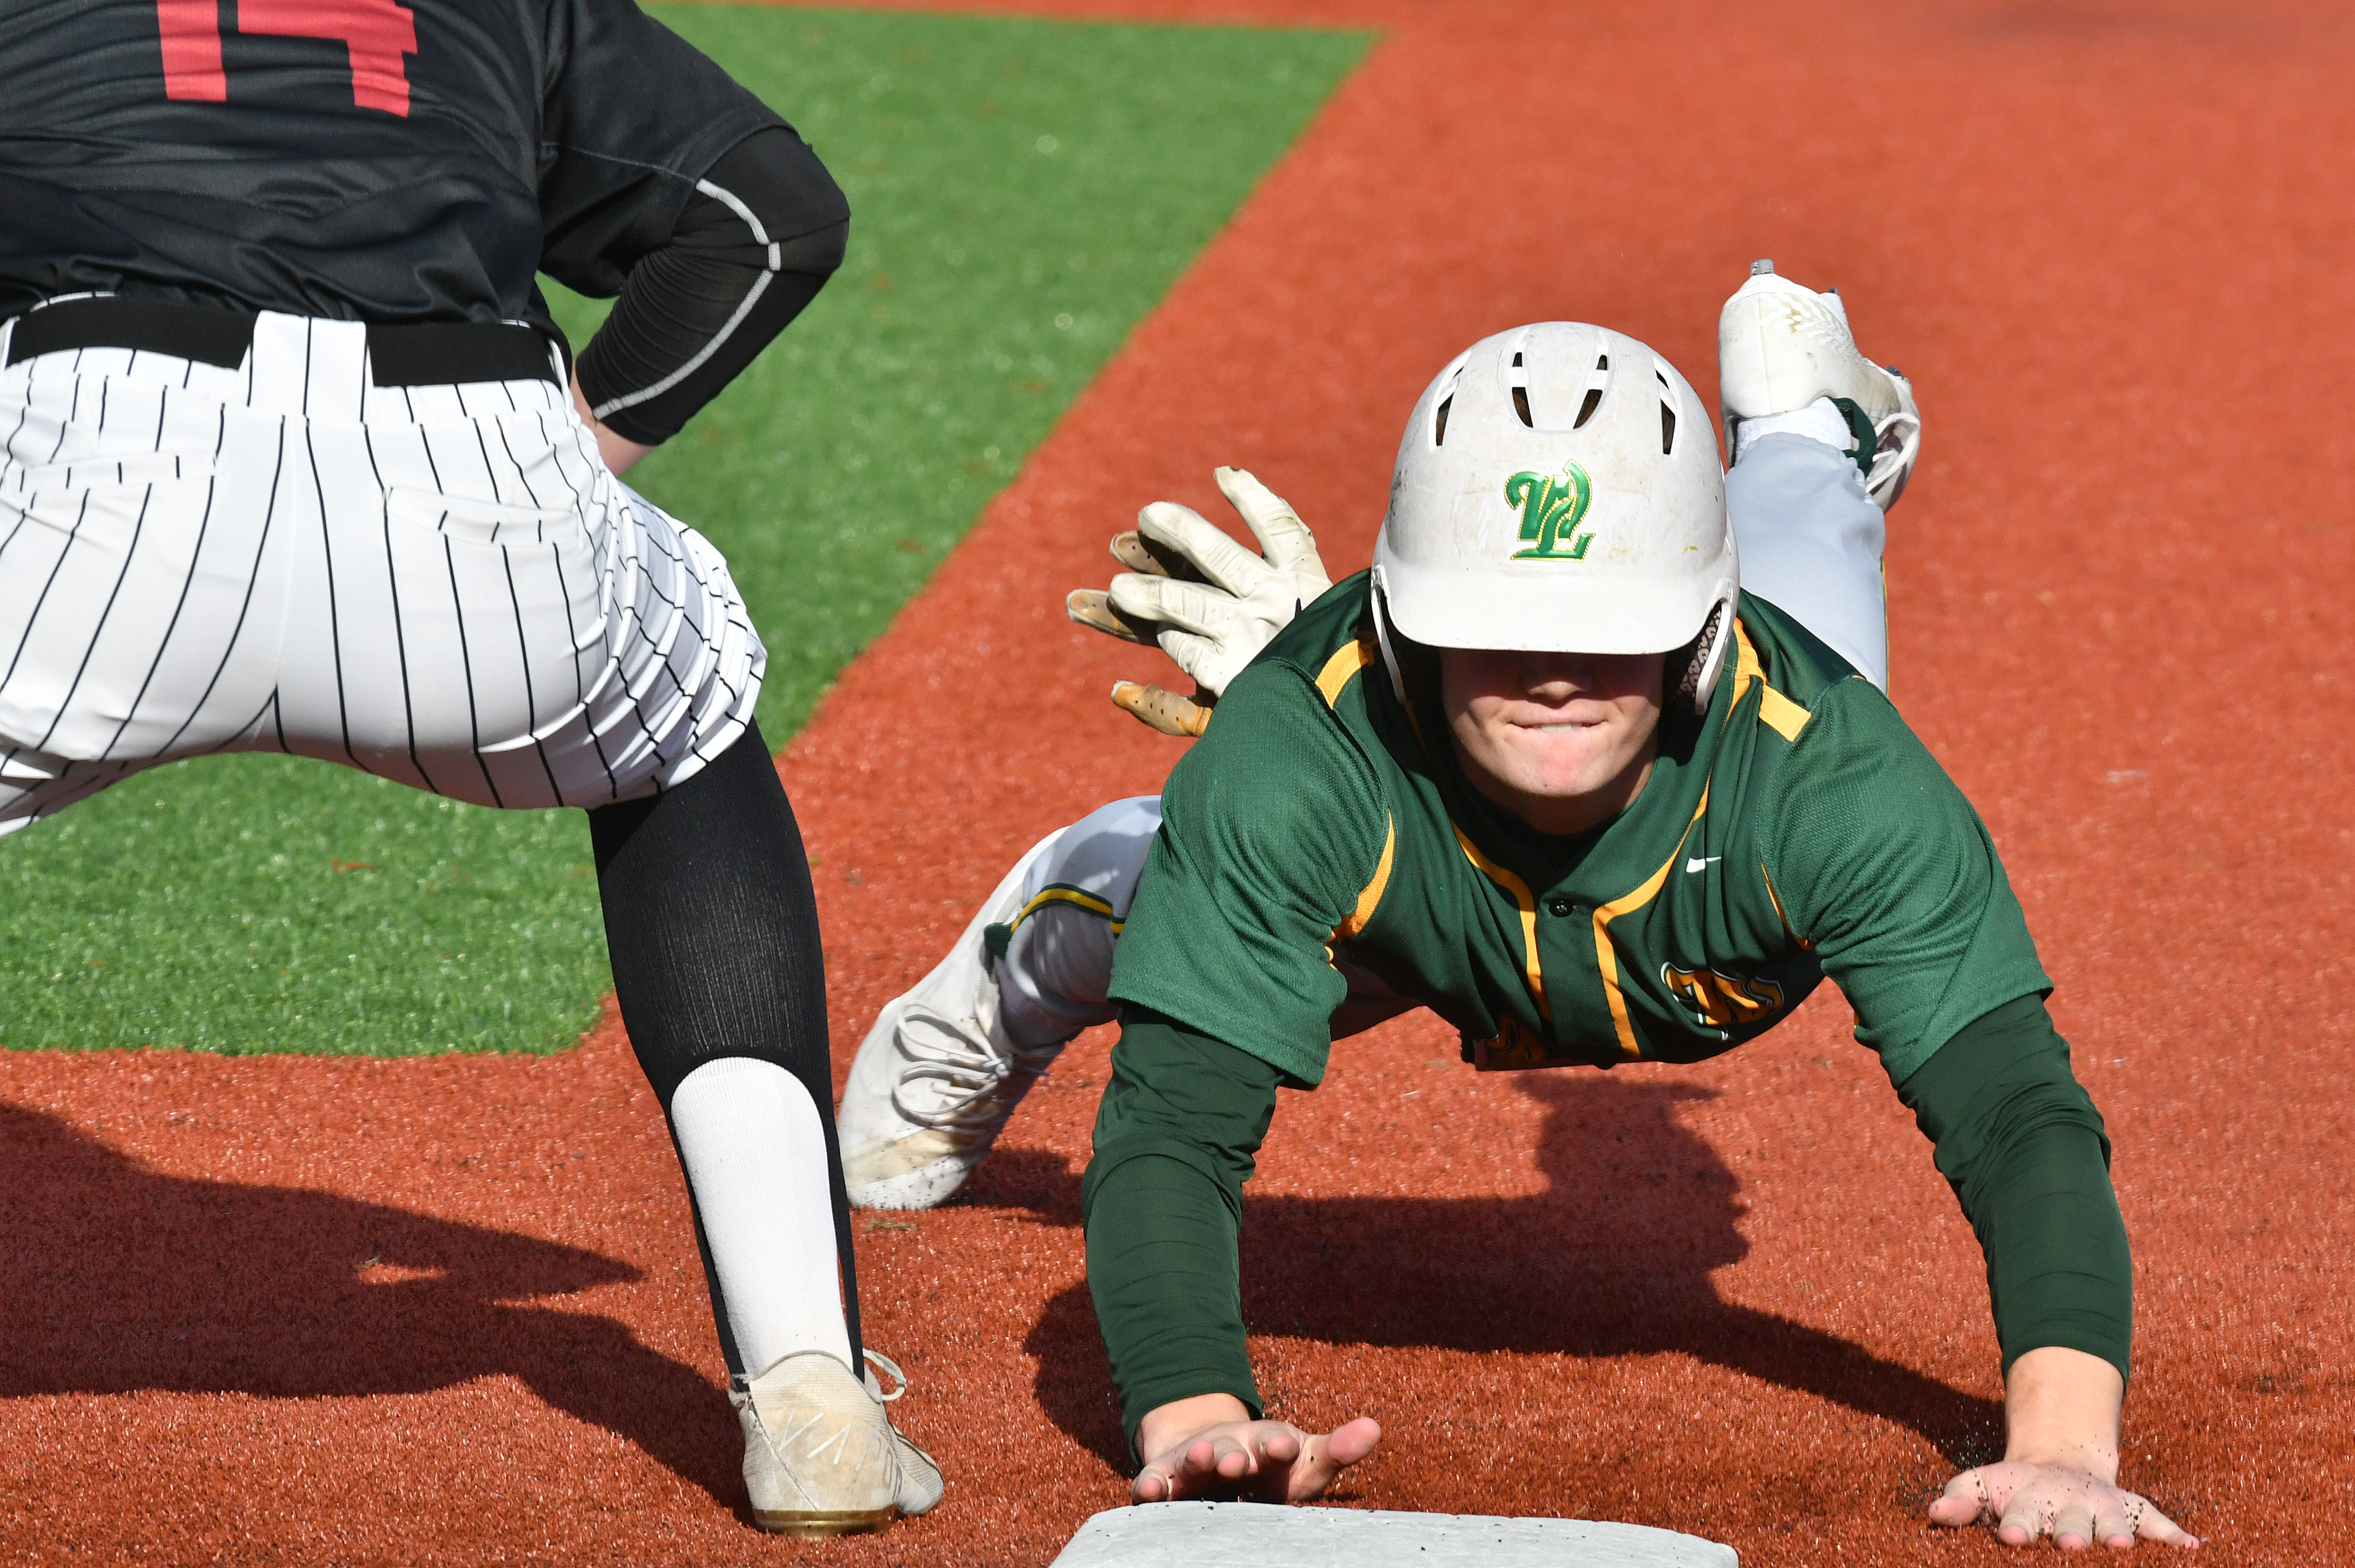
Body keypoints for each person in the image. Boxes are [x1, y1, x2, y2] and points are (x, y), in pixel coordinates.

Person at [837, 266, 2198, 1550]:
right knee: (1152, 908)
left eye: (1611, 626)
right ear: (1410, 626)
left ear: (1701, 632)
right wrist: (1199, 1419)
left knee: (1810, 565)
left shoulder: (1836, 781)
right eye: (1498, 620)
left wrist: (2069, 1448)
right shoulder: (1299, 761)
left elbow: (2019, 1112)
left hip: (1716, 787)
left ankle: (1803, 425)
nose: (1556, 672)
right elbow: (1173, 1127)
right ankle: (1029, 938)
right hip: (1405, 920)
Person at [0, 0, 933, 1537]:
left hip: (94, 476)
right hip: (476, 495)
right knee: (687, 719)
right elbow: (772, 220)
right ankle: (808, 1381)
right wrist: (574, 451)